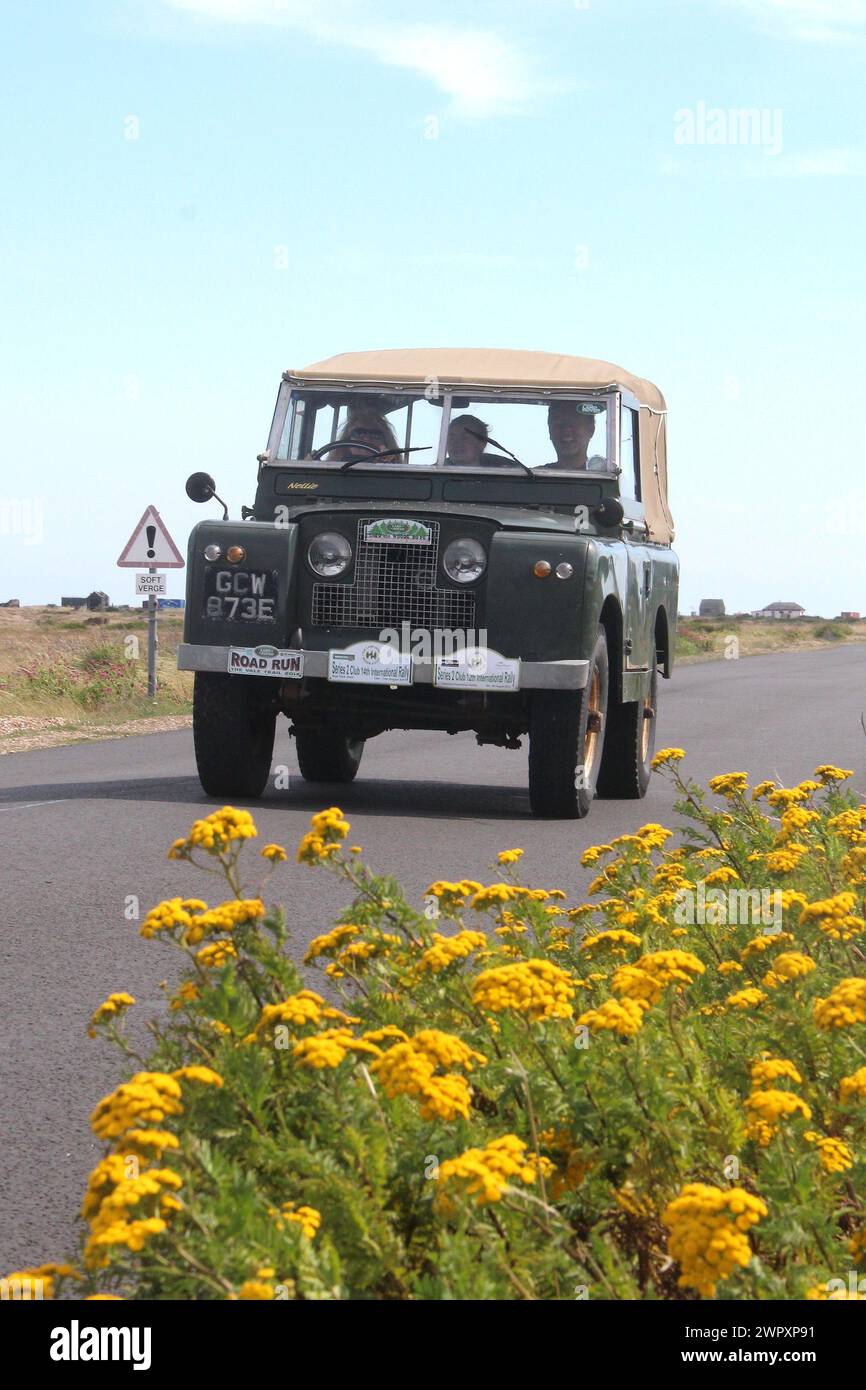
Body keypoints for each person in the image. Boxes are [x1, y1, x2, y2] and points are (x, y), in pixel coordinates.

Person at [541, 401, 607, 472]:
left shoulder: (604, 475)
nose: (566, 429)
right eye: (559, 423)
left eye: (574, 422)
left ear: (591, 429)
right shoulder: (534, 478)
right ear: (550, 431)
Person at [327, 409, 403, 464]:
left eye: (375, 434)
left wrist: (391, 464)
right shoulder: (329, 469)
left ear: (386, 441)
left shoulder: (393, 470)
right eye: (359, 433)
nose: (367, 439)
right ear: (348, 438)